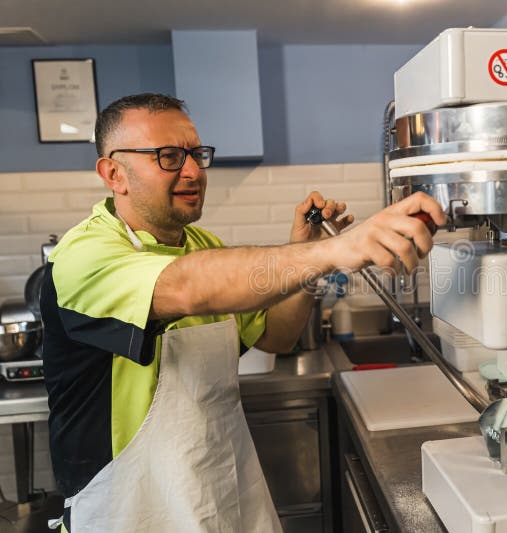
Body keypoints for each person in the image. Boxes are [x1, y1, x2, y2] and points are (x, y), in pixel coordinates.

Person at [40, 92, 446, 532]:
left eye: (196, 153)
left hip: (223, 501)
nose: (193, 171)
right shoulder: (82, 256)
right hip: (132, 516)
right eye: (169, 157)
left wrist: (306, 253)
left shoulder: (204, 246)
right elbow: (187, 286)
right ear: (114, 173)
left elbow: (278, 336)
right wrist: (335, 250)